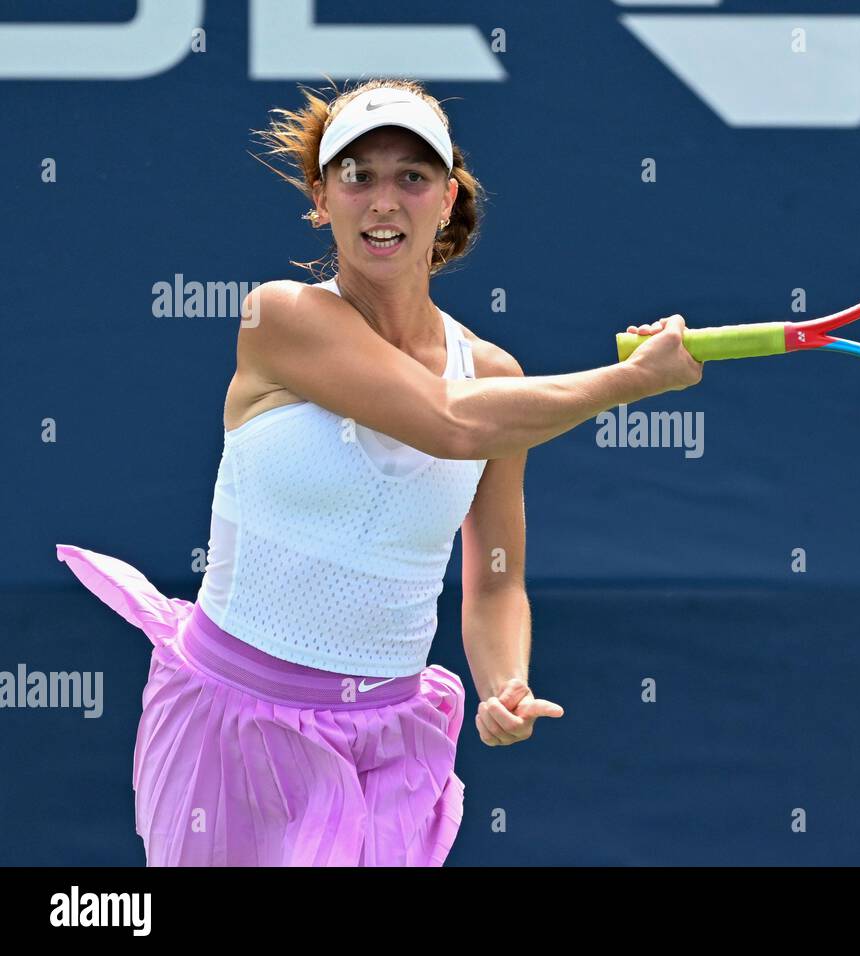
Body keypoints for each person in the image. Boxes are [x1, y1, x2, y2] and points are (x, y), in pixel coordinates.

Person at [55, 78, 700, 866]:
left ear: (447, 199)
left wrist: (505, 681)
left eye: (412, 177)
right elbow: (446, 420)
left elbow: (494, 577)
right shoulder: (278, 316)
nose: (383, 200)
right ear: (321, 198)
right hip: (230, 728)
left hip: (389, 743)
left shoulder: (496, 376)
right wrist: (632, 382)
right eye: (357, 176)